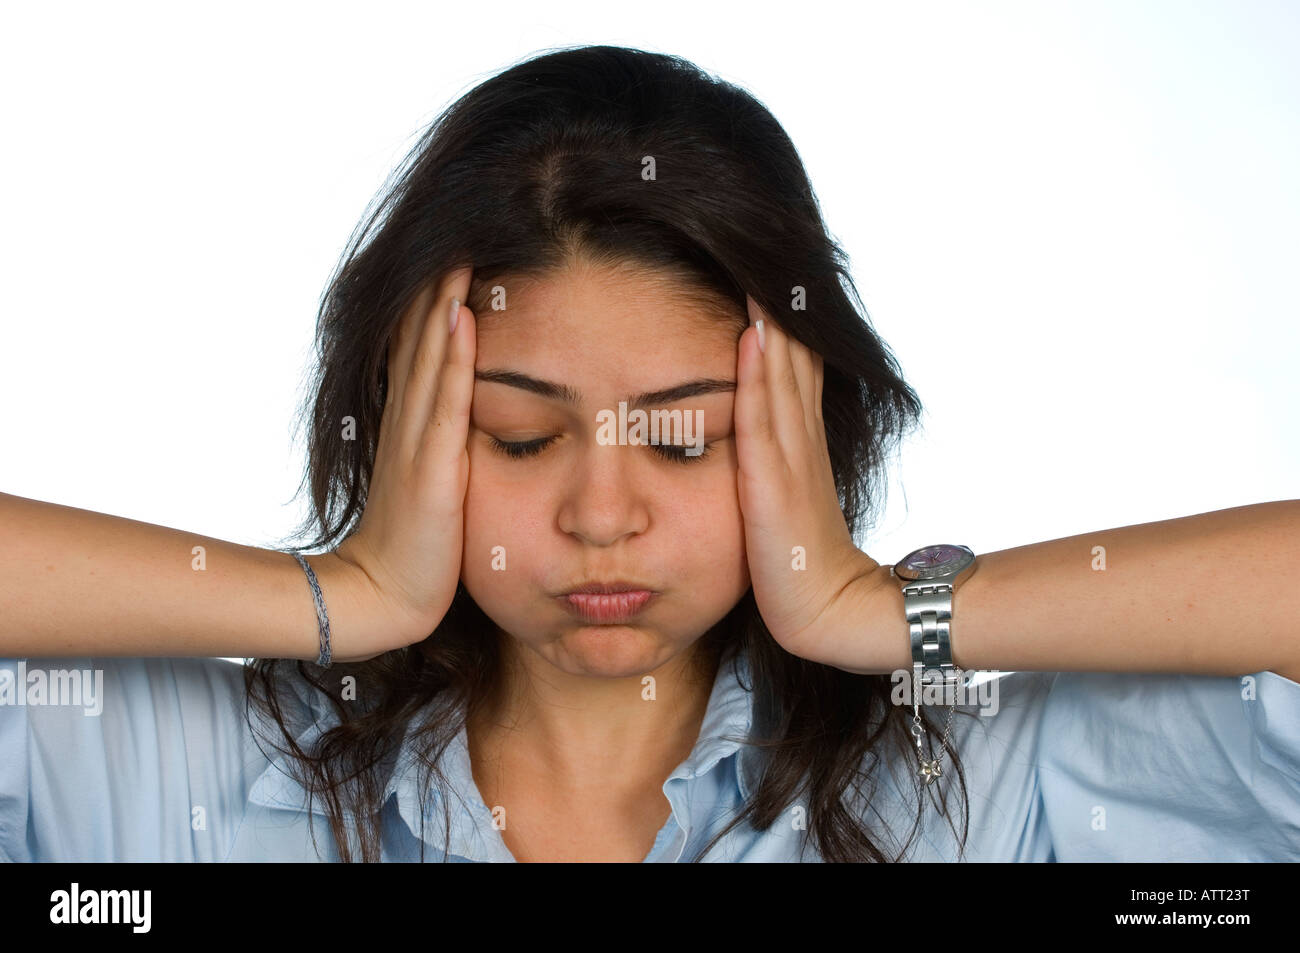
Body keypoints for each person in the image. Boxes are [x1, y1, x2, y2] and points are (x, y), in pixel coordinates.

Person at [2, 45, 1297, 863]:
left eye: (682, 441)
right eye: (519, 433)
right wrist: (339, 594)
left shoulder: (985, 788)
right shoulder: (167, 771)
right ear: (407, 433)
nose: (600, 512)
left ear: (803, 432)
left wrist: (883, 608)